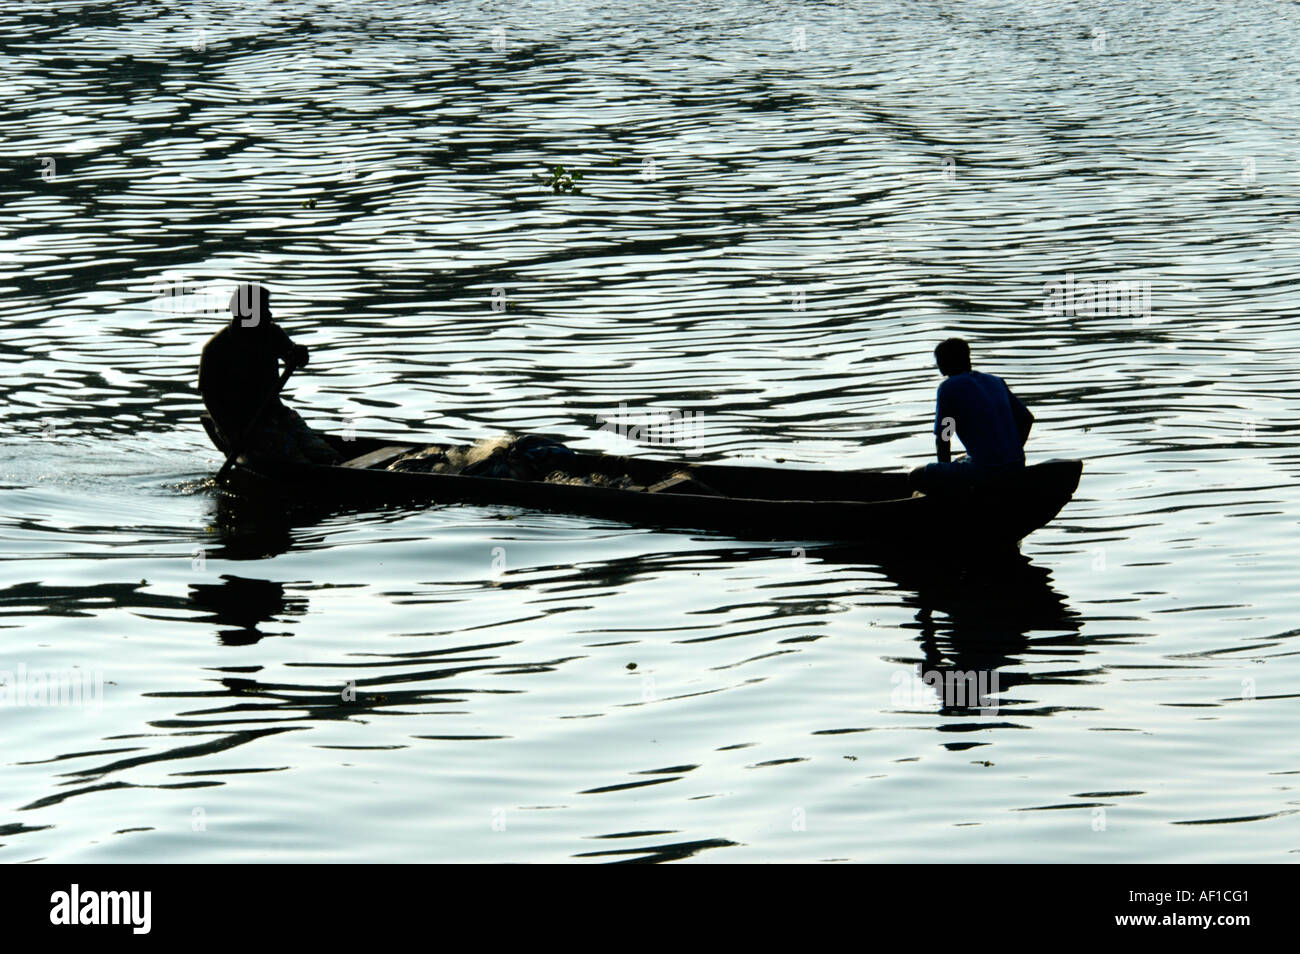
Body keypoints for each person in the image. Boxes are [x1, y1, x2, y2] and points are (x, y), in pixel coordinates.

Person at [198, 283, 341, 465]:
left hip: (275, 413)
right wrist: (232, 435)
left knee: (327, 455)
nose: (270, 314)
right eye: (264, 309)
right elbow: (210, 397)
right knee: (297, 463)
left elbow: (294, 358)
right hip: (242, 424)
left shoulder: (271, 333)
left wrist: (299, 354)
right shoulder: (217, 348)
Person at [909, 337, 1033, 494]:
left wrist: (943, 476)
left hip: (985, 471)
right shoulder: (995, 381)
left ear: (944, 364)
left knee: (915, 475)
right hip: (1016, 464)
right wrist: (1010, 453)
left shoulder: (949, 388)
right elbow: (1026, 419)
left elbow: (944, 437)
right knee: (962, 458)